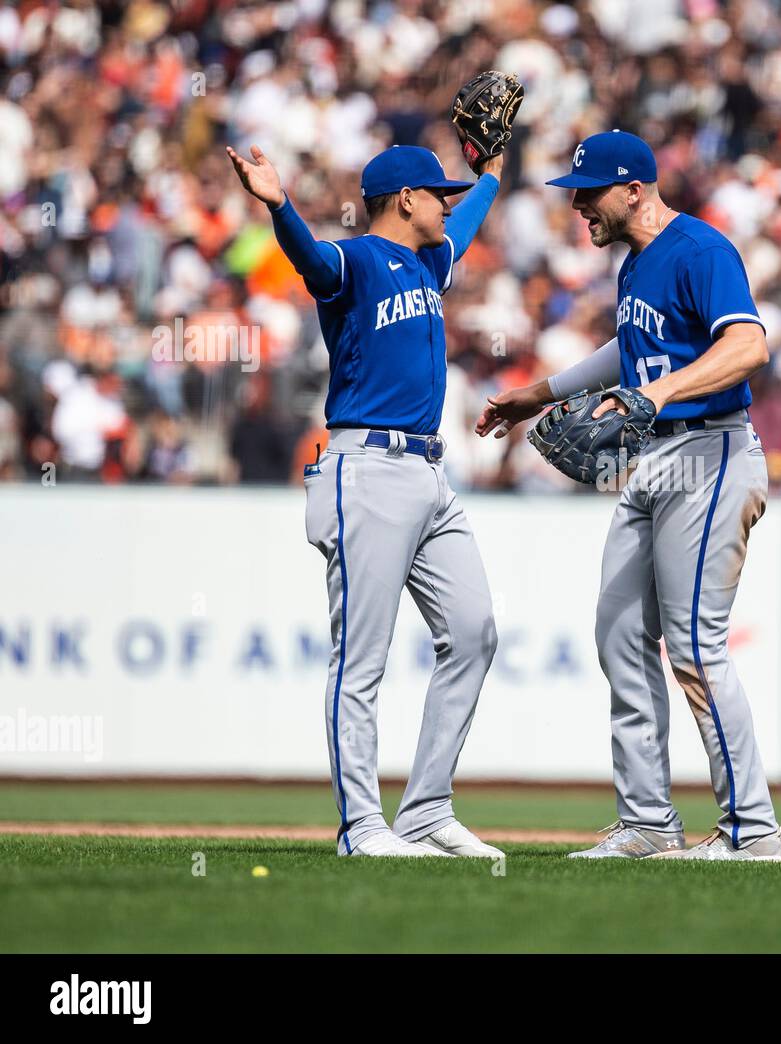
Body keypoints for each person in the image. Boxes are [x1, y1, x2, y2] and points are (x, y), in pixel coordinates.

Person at [476, 131, 781, 860]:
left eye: (590, 191)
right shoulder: (637, 266)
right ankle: (649, 822)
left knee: (697, 647)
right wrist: (538, 394)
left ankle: (752, 830)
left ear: (636, 190)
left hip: (711, 448)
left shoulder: (701, 249)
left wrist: (660, 392)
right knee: (618, 631)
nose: (579, 205)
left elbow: (748, 346)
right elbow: (628, 351)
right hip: (656, 456)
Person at [227, 141, 506, 859]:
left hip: (430, 476)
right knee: (362, 660)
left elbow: (468, 222)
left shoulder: (428, 261)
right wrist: (278, 204)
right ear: (403, 199)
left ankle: (425, 810)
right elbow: (310, 262)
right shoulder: (354, 260)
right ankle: (361, 826)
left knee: (473, 632)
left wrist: (492, 176)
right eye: (436, 192)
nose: (447, 202)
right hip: (365, 469)